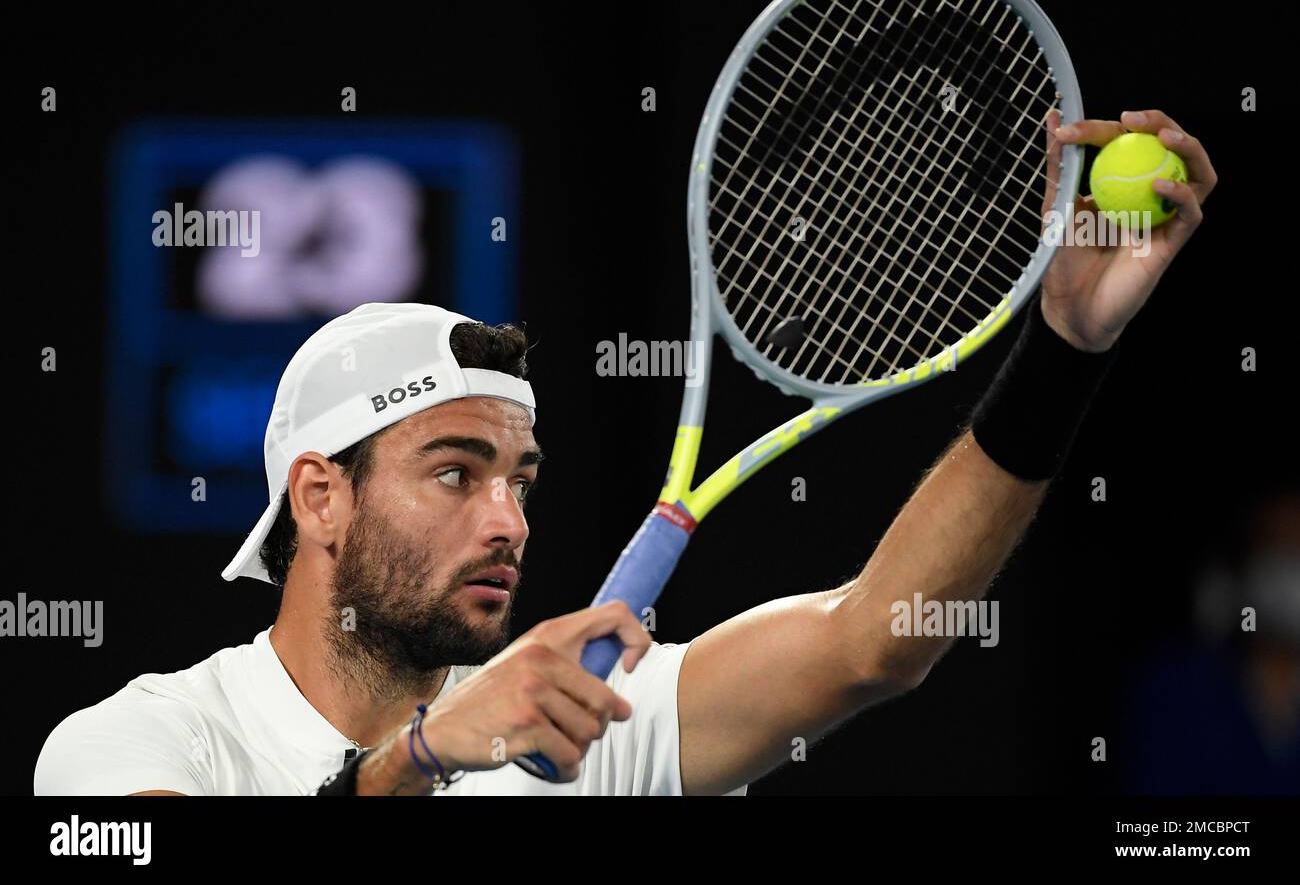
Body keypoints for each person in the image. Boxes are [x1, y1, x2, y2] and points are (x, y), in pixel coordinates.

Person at [36, 109, 1215, 795]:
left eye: (520, 479)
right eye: (454, 471)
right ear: (321, 495)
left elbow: (876, 639)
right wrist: (429, 754)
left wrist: (1065, 343)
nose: (507, 519)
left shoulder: (592, 724)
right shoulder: (131, 746)